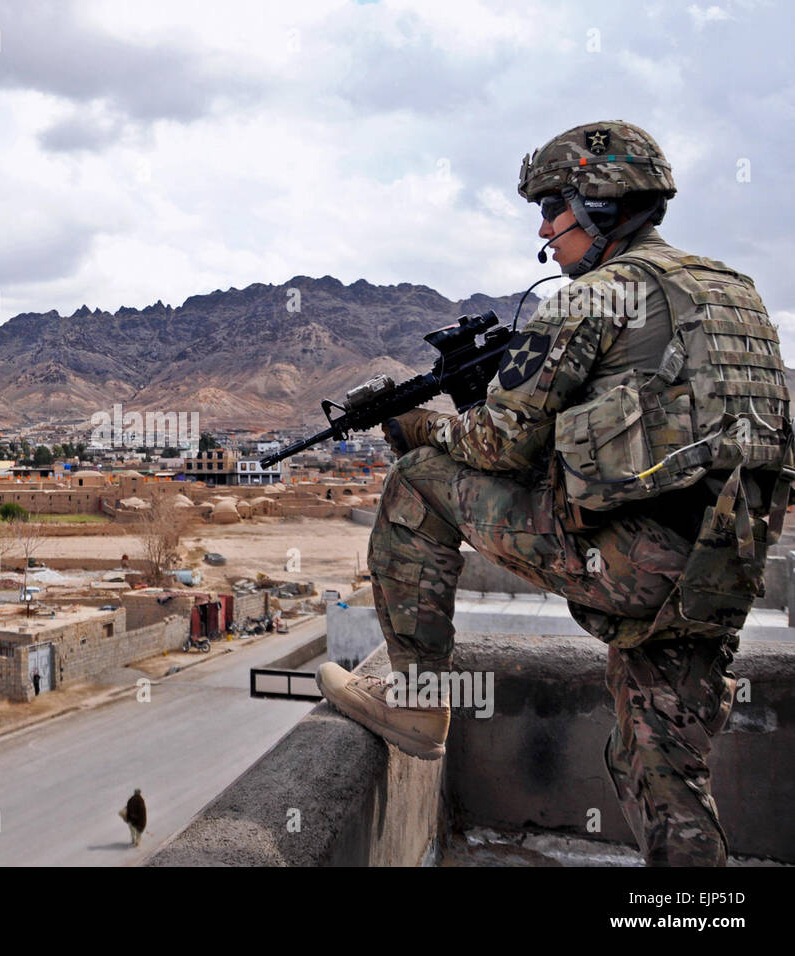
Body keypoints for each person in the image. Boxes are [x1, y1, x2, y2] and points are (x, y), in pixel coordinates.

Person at [317, 121, 792, 867]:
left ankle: (415, 702)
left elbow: (497, 446)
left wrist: (418, 427)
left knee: (417, 485)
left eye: (553, 207)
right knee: (665, 778)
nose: (544, 231)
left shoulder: (594, 297)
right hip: (720, 575)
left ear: (599, 206)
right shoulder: (737, 294)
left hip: (634, 567)